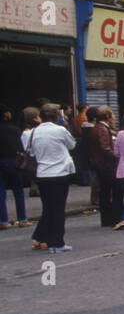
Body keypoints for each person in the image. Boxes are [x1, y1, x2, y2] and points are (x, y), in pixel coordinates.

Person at [24, 103, 77, 252]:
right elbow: (72, 145)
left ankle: (40, 237)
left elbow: (32, 152)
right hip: (59, 173)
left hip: (42, 174)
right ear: (57, 116)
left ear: (40, 116)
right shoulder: (60, 130)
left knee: (48, 207)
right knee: (58, 209)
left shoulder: (33, 132)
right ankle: (57, 243)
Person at [89, 106, 123, 226]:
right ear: (107, 116)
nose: (113, 117)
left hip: (100, 165)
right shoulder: (102, 129)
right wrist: (117, 157)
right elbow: (105, 148)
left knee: (104, 192)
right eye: (112, 115)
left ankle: (106, 218)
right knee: (117, 190)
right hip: (107, 165)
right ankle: (115, 217)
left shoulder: (97, 128)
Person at [0, 105, 32, 228]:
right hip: (12, 161)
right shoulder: (13, 129)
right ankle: (22, 219)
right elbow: (20, 146)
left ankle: (3, 221)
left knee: (1, 192)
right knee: (18, 190)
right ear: (6, 114)